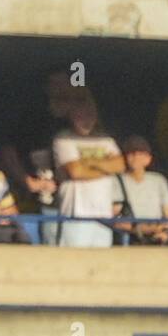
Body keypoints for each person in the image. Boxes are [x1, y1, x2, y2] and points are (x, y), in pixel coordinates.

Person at [53, 90, 125, 245]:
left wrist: (89, 163)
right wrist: (106, 169)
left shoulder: (106, 140)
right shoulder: (64, 138)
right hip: (75, 213)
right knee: (73, 263)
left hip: (103, 213)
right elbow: (76, 171)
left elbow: (119, 165)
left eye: (90, 115)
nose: (86, 120)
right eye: (81, 116)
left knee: (102, 264)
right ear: (71, 116)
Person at [111, 135, 168, 242]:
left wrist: (162, 230)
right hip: (128, 238)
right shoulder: (115, 180)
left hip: (158, 237)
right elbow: (115, 217)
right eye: (131, 153)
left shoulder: (158, 180)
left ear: (148, 158)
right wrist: (141, 230)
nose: (136, 157)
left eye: (141, 154)